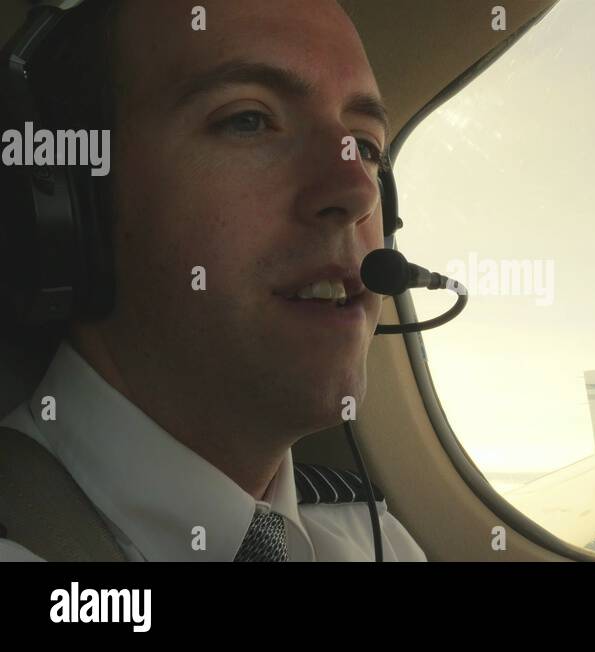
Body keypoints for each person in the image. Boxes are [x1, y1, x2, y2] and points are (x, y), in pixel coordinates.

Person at [0, 0, 426, 561]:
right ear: (64, 202)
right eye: (248, 119)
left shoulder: (375, 538)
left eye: (367, 146)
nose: (357, 190)